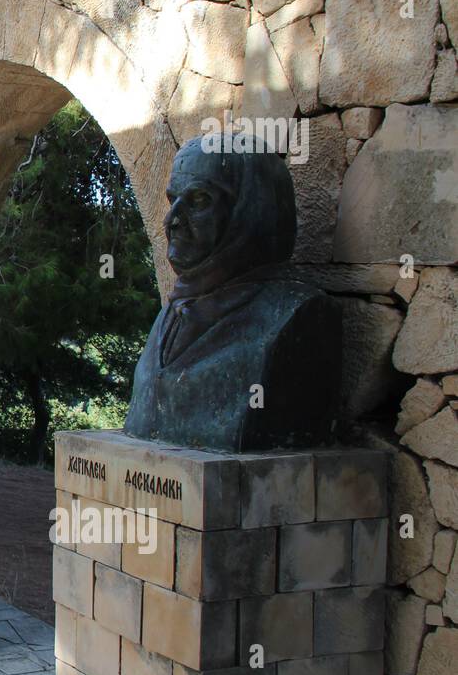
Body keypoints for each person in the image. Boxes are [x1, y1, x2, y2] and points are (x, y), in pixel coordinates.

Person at [124, 134, 341, 453]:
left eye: (199, 201)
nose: (173, 221)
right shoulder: (170, 315)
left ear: (251, 210)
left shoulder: (296, 317)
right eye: (174, 200)